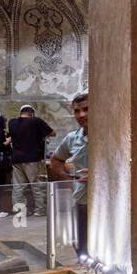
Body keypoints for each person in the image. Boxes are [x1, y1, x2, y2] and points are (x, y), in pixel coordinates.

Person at [48, 92, 90, 257]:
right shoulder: (72, 139)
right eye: (77, 111)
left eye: (87, 109)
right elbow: (56, 160)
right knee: (81, 244)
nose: (81, 115)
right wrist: (67, 179)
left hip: (109, 202)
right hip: (81, 198)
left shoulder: (113, 135)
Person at [8, 105, 54, 217]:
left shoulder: (12, 122)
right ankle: (40, 210)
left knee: (18, 187)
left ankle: (20, 211)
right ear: (32, 113)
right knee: (38, 185)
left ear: (21, 113)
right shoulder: (36, 121)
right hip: (33, 159)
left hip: (16, 160)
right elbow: (53, 133)